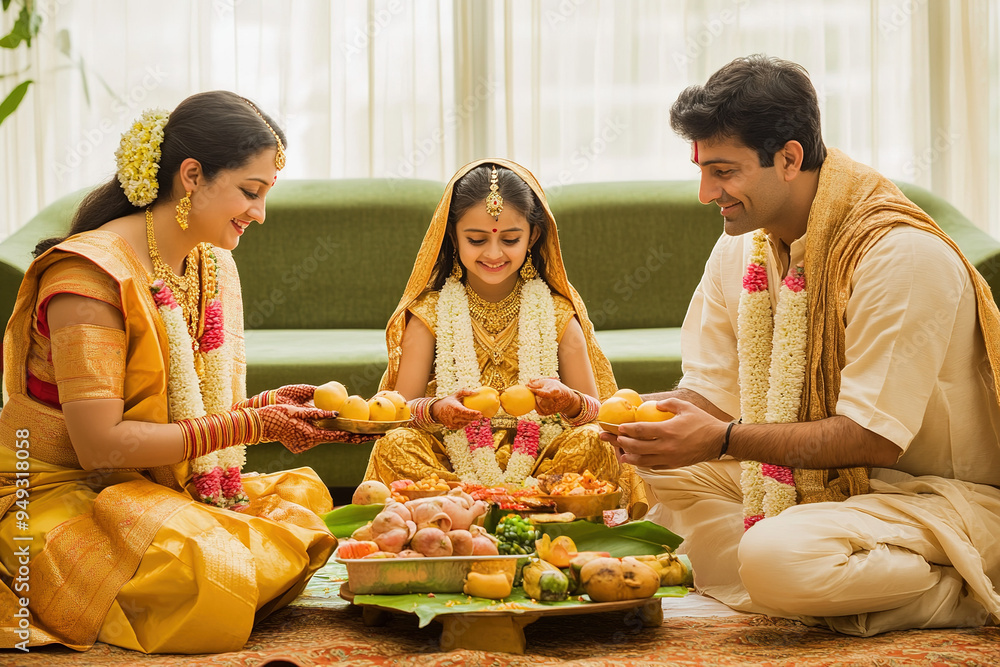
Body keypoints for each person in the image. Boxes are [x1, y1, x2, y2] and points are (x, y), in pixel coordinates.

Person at [605, 55, 1000, 636]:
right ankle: (828, 582)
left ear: (789, 158)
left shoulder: (899, 256)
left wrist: (722, 439)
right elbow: (708, 395)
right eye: (701, 169)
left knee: (776, 559)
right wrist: (609, 419)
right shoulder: (743, 249)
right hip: (821, 493)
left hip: (931, 495)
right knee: (650, 472)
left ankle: (967, 582)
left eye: (723, 171)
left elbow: (873, 437)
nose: (704, 192)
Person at [0, 91, 365, 654]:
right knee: (206, 568)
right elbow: (99, 448)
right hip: (57, 488)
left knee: (306, 510)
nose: (259, 214)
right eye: (250, 192)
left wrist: (266, 407)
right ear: (191, 175)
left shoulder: (208, 263)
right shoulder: (88, 278)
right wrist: (255, 426)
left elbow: (191, 410)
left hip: (150, 482)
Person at [363, 159, 646, 516]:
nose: (494, 253)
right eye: (477, 239)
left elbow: (593, 416)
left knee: (594, 443)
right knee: (396, 445)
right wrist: (437, 409)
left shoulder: (557, 313)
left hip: (544, 468)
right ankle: (486, 508)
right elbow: (399, 414)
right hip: (452, 465)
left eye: (510, 239)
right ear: (452, 236)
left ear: (534, 236)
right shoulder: (429, 313)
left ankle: (471, 511)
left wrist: (567, 401)